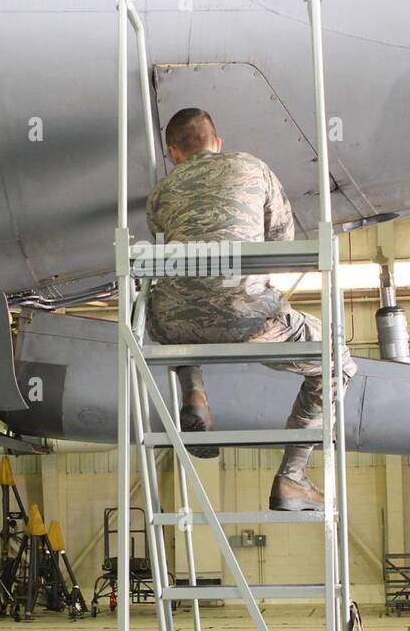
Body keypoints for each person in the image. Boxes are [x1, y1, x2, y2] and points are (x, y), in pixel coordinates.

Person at [145, 107, 356, 512]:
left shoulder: (160, 192)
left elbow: (164, 250)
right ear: (217, 143)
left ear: (173, 153)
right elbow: (282, 239)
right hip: (247, 316)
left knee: (176, 309)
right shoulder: (252, 168)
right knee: (337, 362)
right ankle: (292, 478)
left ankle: (194, 391)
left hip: (171, 320)